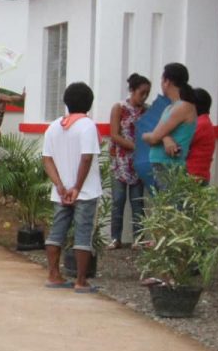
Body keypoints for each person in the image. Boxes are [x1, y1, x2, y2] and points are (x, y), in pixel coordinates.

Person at [42, 81, 104, 292]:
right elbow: (86, 158)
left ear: (66, 102)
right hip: (85, 191)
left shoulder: (54, 126)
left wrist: (59, 185)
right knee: (83, 233)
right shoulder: (87, 126)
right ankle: (80, 280)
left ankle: (53, 274)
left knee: (56, 231)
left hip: (60, 191)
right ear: (90, 103)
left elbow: (47, 159)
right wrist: (77, 187)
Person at [107, 73, 151, 247]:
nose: (145, 97)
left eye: (147, 93)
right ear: (132, 90)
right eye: (142, 93)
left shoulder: (147, 111)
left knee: (137, 202)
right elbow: (114, 134)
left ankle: (138, 239)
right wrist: (134, 146)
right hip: (120, 161)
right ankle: (115, 238)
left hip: (138, 163)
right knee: (117, 201)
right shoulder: (119, 108)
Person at [142, 63, 197, 188]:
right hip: (161, 165)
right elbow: (150, 135)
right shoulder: (169, 108)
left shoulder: (183, 107)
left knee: (170, 205)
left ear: (167, 81)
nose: (161, 84)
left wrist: (158, 136)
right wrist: (165, 138)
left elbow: (153, 137)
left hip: (170, 166)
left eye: (162, 80)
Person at [186, 88, 216, 183]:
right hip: (199, 175)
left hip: (194, 176)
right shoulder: (205, 122)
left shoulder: (200, 124)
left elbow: (181, 144)